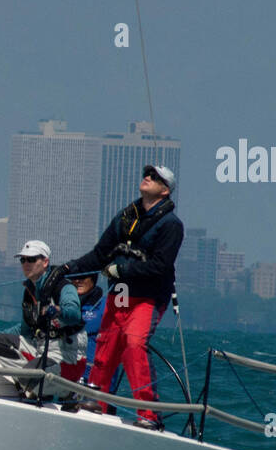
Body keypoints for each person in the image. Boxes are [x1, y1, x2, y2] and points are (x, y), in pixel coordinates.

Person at [51, 165, 183, 429]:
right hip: (121, 292)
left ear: (165, 190)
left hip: (148, 296)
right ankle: (95, 401)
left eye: (155, 177)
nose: (147, 177)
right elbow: (99, 254)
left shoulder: (172, 225)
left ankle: (149, 415)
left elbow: (160, 266)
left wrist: (121, 269)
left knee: (134, 344)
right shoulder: (125, 217)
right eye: (146, 174)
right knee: (107, 343)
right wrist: (66, 268)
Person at [0, 240, 83, 394]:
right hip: (40, 347)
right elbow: (24, 329)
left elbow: (75, 314)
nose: (26, 264)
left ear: (45, 262)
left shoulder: (63, 286)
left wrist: (58, 310)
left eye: (31, 259)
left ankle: (63, 390)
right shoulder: (29, 291)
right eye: (23, 260)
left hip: (66, 355)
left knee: (28, 375)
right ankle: (30, 385)